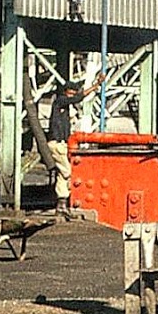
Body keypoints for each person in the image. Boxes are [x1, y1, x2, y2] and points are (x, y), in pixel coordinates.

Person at [41, 75, 102, 212]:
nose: (73, 96)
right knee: (68, 172)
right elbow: (77, 98)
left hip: (61, 144)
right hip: (57, 144)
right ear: (67, 92)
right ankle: (69, 200)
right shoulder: (60, 101)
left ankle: (61, 202)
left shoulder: (63, 107)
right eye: (71, 93)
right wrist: (94, 87)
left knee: (62, 175)